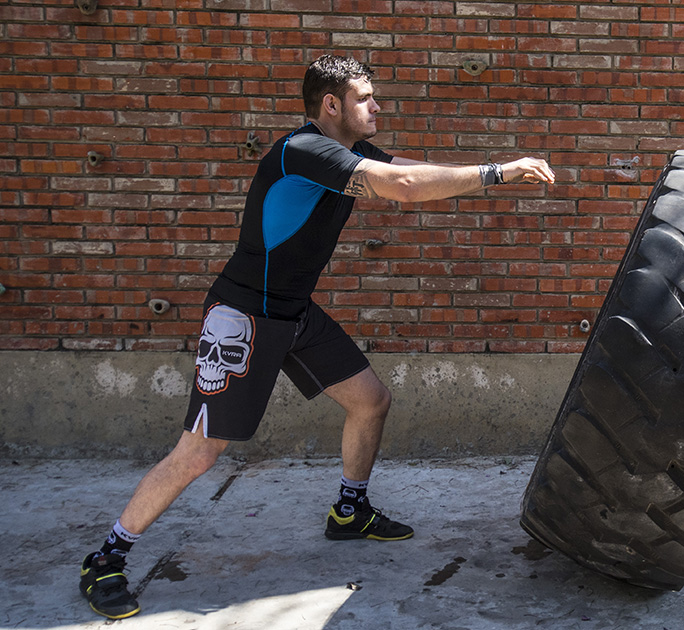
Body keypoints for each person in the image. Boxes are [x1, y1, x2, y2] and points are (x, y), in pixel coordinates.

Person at [78, 54, 556, 620]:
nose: (377, 106)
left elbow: (408, 170)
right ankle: (106, 558)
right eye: (365, 97)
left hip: (294, 313)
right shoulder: (301, 151)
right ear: (332, 105)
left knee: (370, 400)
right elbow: (400, 185)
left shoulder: (349, 155)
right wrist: (497, 171)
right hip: (244, 316)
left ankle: (349, 513)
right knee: (201, 451)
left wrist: (483, 174)